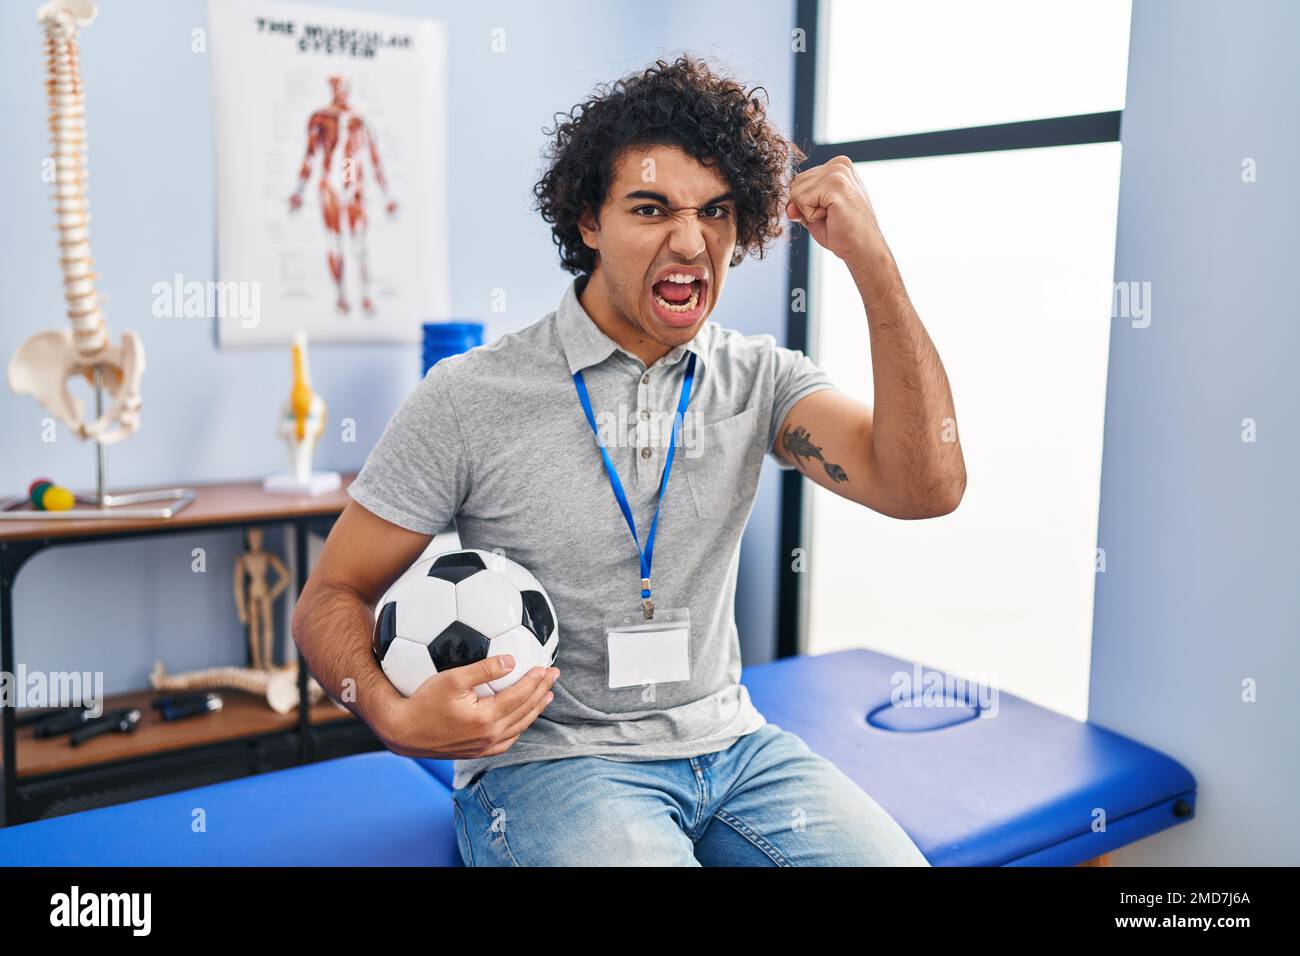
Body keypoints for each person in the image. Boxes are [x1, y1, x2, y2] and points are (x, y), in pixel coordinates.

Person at [293, 55, 965, 866]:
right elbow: (331, 594)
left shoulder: (760, 379)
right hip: (555, 767)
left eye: (716, 211)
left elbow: (928, 487)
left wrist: (873, 264)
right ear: (588, 222)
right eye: (652, 209)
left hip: (737, 750)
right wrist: (394, 719)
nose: (690, 242)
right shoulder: (469, 396)